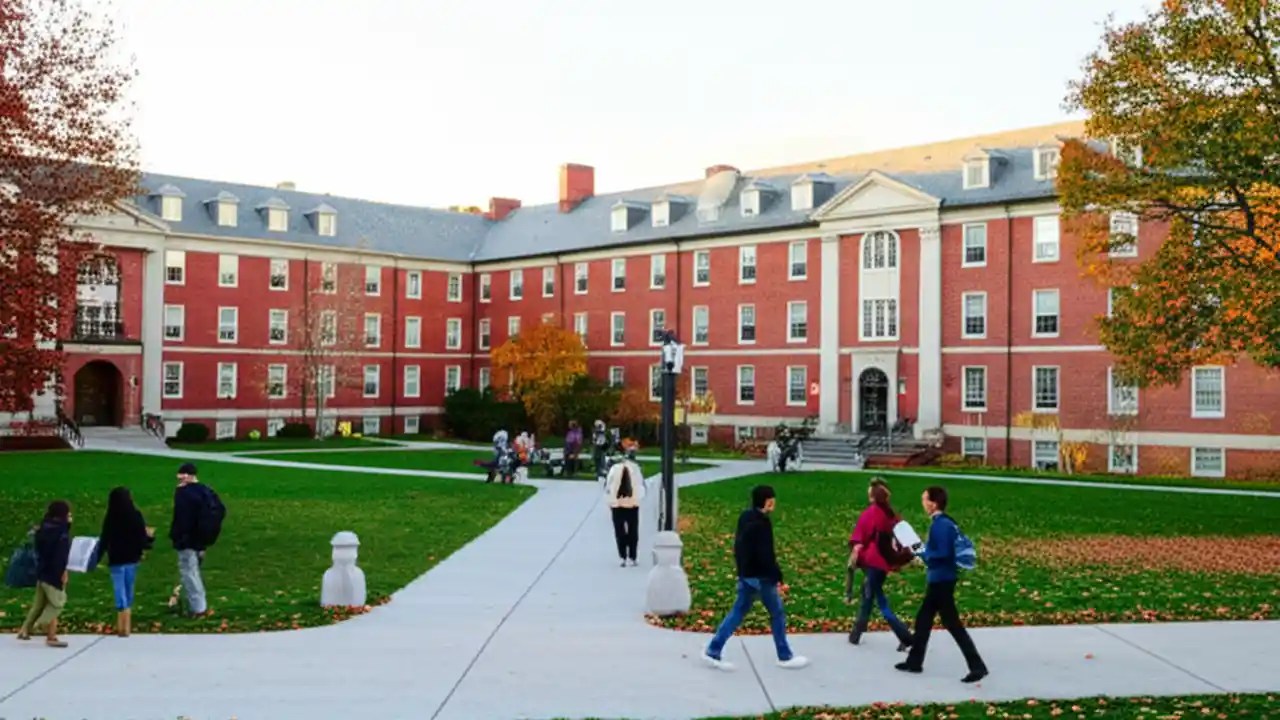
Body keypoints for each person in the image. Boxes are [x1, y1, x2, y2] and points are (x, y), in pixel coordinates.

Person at [702, 485, 808, 671]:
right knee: (777, 613)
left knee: (738, 612)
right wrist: (776, 576)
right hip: (762, 577)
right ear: (765, 502)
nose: (773, 504)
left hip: (747, 575)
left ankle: (713, 649)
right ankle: (784, 655)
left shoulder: (745, 518)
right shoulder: (762, 524)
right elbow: (766, 554)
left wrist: (742, 571)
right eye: (771, 501)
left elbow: (739, 547)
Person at [896, 486, 989, 683]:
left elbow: (944, 553)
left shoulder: (941, 525)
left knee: (952, 624)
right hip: (940, 578)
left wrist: (923, 554)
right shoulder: (945, 523)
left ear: (933, 503)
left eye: (925, 499)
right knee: (924, 620)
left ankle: (977, 667)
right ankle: (914, 661)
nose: (923, 503)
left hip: (942, 580)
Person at [847, 479, 913, 651]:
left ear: (873, 497)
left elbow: (859, 537)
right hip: (883, 564)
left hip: (872, 563)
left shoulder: (870, 514)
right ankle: (856, 634)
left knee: (880, 602)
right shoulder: (890, 515)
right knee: (867, 595)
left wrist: (855, 551)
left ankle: (905, 636)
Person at [95, 487, 155, 637]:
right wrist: (149, 541)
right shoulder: (135, 515)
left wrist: (96, 557)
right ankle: (127, 621)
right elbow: (142, 537)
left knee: (119, 587)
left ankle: (121, 618)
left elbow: (104, 538)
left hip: (116, 558)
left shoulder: (111, 517)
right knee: (129, 587)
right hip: (132, 557)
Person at [17, 500, 73, 647]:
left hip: (41, 571)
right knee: (58, 603)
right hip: (53, 574)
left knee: (39, 605)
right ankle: (40, 624)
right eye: (68, 514)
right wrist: (62, 572)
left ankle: (24, 630)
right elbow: (60, 556)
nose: (70, 517)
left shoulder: (43, 528)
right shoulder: (61, 534)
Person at [170, 462, 222, 617]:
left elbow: (182, 519)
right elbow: (220, 510)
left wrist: (178, 537)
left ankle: (198, 608)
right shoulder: (206, 491)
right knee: (193, 571)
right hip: (202, 539)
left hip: (187, 539)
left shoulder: (184, 494)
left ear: (188, 476)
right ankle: (193, 603)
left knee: (189, 573)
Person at [605, 461, 644, 566]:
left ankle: (623, 556)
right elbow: (641, 485)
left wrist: (610, 500)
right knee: (633, 531)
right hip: (632, 504)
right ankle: (632, 556)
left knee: (620, 531)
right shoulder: (635, 469)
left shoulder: (614, 469)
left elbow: (608, 486)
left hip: (617, 504)